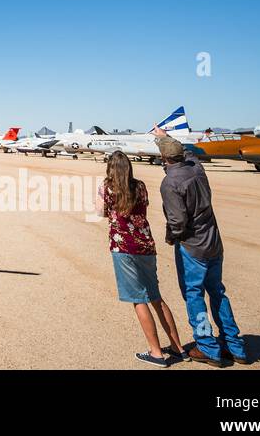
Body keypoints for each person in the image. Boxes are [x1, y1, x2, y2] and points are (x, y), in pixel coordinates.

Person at [155, 132, 248, 366]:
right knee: (218, 292)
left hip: (192, 246)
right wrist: (166, 136)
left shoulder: (170, 183)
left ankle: (208, 347)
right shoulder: (197, 169)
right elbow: (190, 154)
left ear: (164, 157)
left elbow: (177, 222)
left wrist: (170, 238)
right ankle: (234, 345)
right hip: (213, 241)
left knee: (194, 295)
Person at [98, 151, 186, 366]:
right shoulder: (140, 186)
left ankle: (156, 352)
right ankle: (178, 347)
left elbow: (100, 212)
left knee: (138, 299)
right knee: (156, 297)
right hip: (145, 245)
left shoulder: (107, 187)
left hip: (123, 247)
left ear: (110, 168)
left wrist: (102, 198)